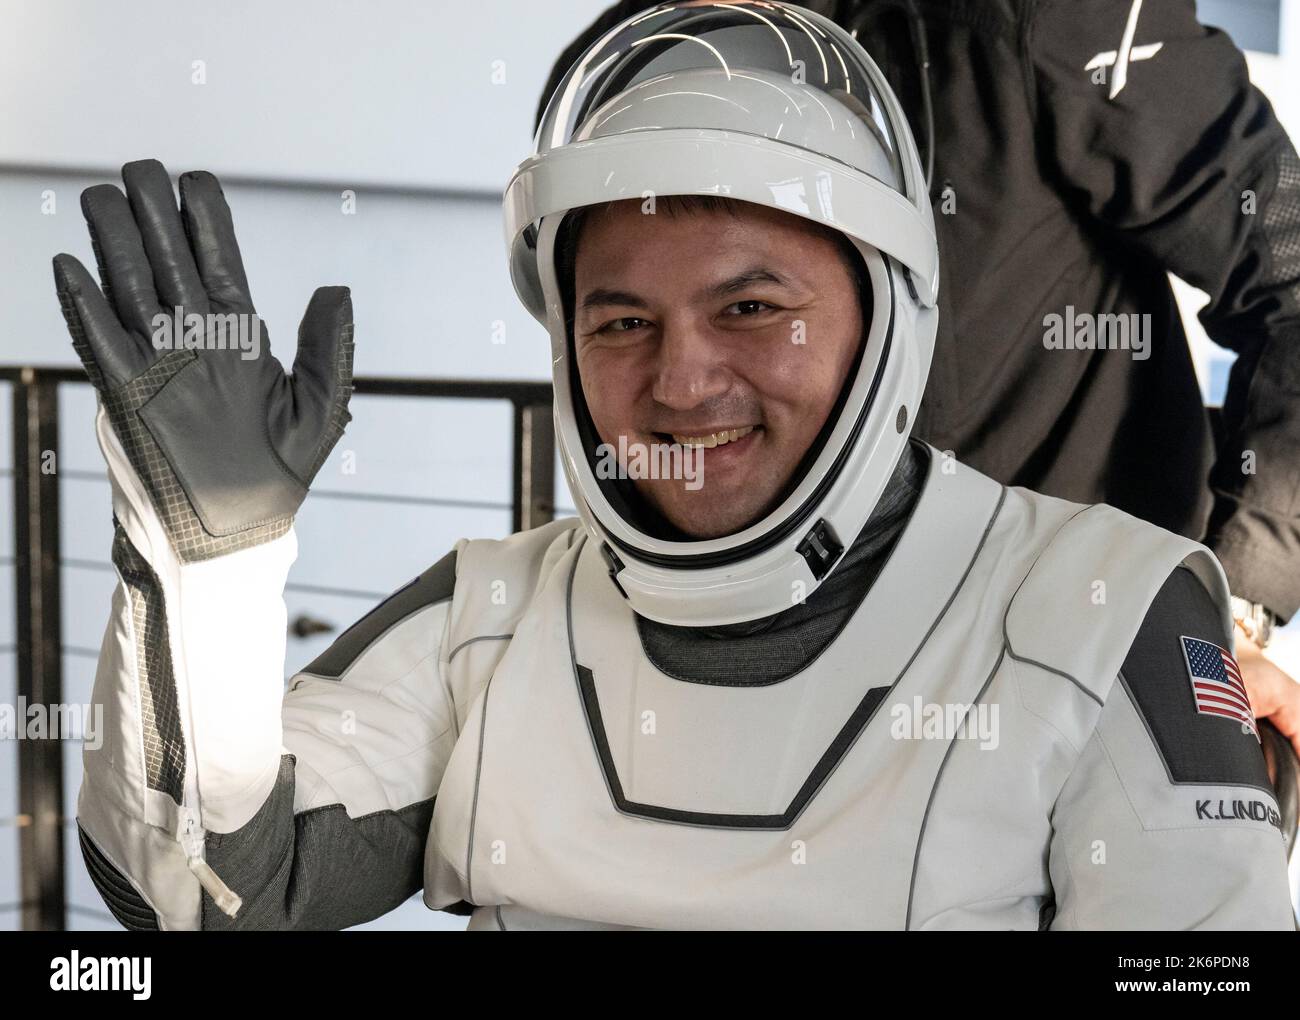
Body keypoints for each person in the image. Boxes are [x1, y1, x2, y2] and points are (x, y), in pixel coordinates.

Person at [57, 1, 1292, 930]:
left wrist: (1224, 600)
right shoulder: (498, 617)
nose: (681, 381)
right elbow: (198, 887)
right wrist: (203, 556)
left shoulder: (1105, 620)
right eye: (617, 322)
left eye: (753, 308)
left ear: (892, 314)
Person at [540, 0, 1300, 767]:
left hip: (1068, 674)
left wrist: (1228, 619)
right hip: (743, 685)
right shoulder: (633, 64)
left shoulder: (1057, 19)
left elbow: (1294, 270)